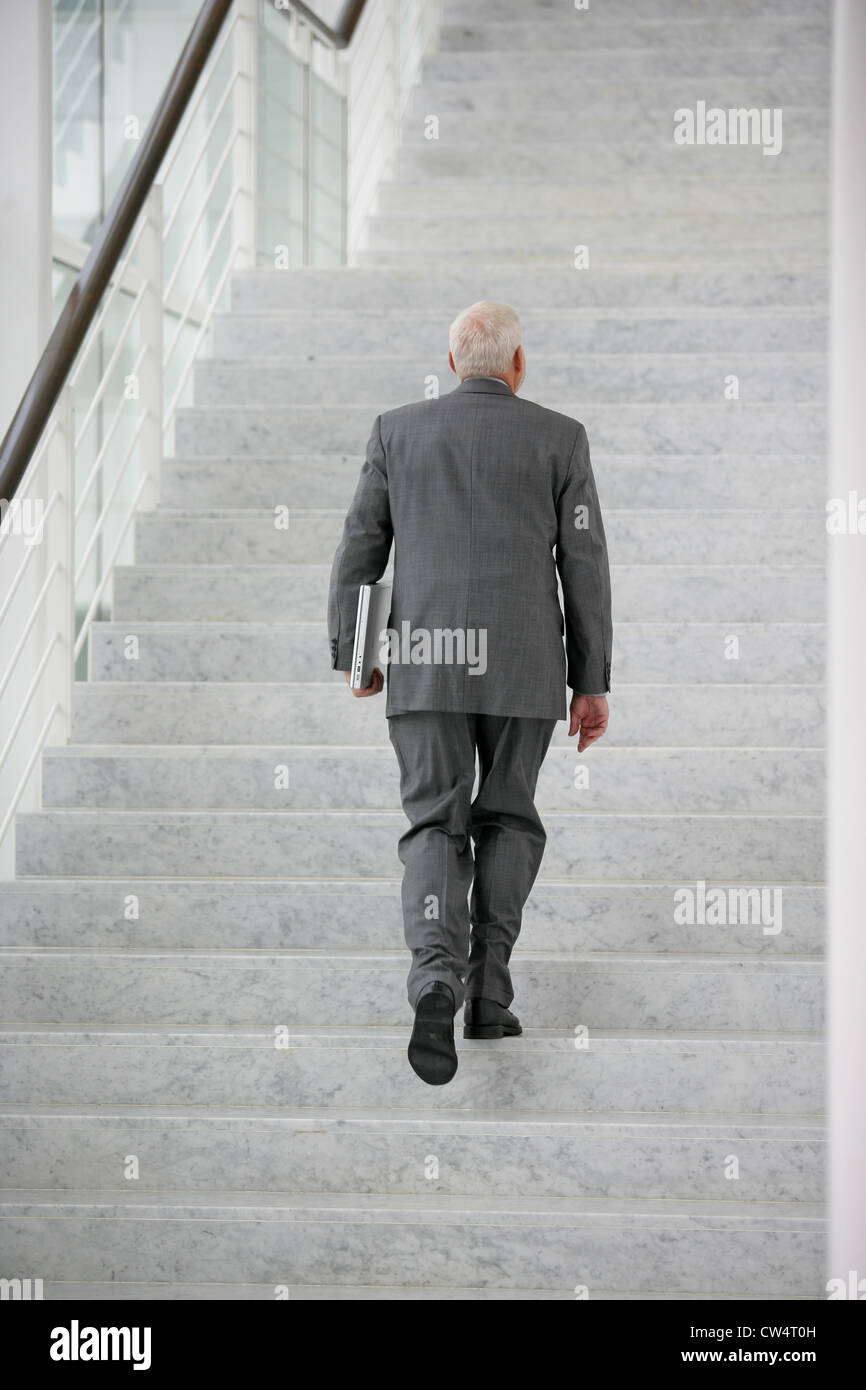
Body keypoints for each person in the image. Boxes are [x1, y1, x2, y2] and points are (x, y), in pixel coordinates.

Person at [327, 301, 612, 1085]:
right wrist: (590, 680)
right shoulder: (561, 438)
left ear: (452, 362)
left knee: (433, 823)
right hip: (523, 667)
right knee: (509, 817)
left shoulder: (396, 430)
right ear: (519, 366)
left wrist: (357, 654)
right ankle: (489, 992)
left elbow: (359, 547)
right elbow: (582, 566)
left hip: (426, 658)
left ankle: (435, 980)